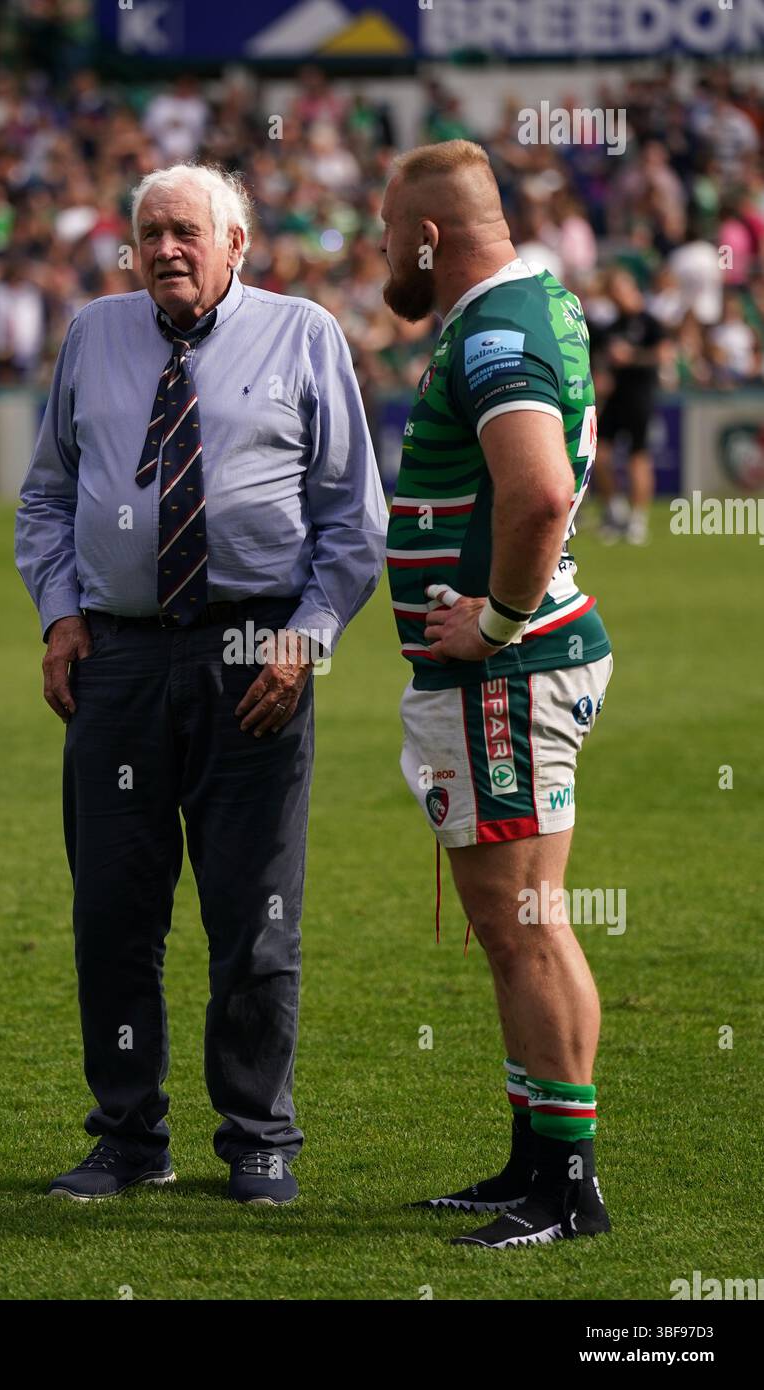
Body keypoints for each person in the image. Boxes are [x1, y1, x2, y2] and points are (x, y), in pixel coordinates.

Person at [15, 163, 387, 1206]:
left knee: (254, 916)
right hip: (118, 659)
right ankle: (128, 1137)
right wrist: (58, 615)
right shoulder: (93, 333)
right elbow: (45, 496)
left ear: (237, 243)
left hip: (253, 655)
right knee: (111, 912)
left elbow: (352, 522)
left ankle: (258, 1138)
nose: (165, 249)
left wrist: (306, 639)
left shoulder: (304, 333)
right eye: (149, 232)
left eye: (186, 230)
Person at [380, 140, 613, 1248]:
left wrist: (494, 619)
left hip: (507, 675)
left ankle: (564, 1186)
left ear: (427, 235)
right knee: (510, 923)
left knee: (524, 925)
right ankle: (532, 1156)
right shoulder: (538, 304)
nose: (384, 258)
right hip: (507, 675)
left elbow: (538, 493)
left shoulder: (496, 327)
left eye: (389, 236)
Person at [592, 268, 668, 546]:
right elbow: (601, 358)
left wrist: (632, 356)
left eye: (619, 290)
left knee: (638, 455)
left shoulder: (649, 322)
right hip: (616, 397)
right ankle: (614, 511)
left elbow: (663, 354)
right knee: (599, 455)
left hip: (640, 395)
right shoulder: (613, 326)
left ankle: (638, 519)